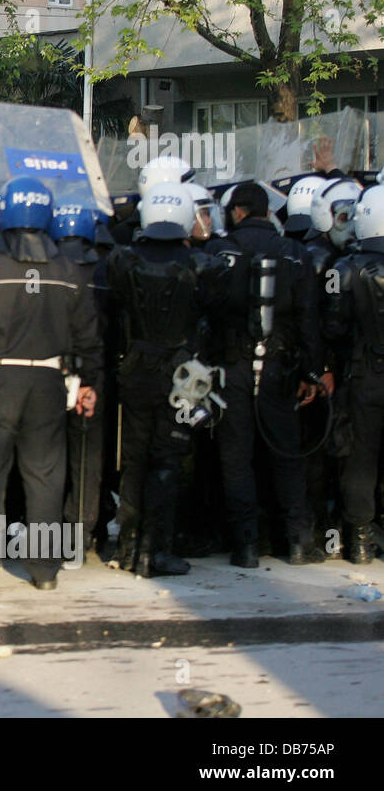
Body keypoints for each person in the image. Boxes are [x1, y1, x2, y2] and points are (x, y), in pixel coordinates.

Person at [0, 176, 102, 593]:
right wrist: (88, 381)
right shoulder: (70, 273)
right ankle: (45, 572)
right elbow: (89, 337)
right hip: (50, 382)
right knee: (46, 478)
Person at [105, 183, 225, 576]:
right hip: (180, 377)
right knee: (168, 461)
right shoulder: (200, 264)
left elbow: (114, 308)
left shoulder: (124, 260)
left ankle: (128, 545)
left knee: (134, 459)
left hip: (136, 370)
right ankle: (158, 549)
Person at [205, 181, 325, 567]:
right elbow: (309, 319)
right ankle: (298, 541)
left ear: (237, 211)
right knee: (286, 454)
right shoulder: (295, 253)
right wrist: (312, 370)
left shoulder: (218, 250)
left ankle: (246, 545)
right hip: (280, 367)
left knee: (235, 456)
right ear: (265, 212)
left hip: (232, 365)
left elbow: (206, 313)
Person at [324, 184, 384, 564]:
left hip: (363, 373)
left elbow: (332, 327)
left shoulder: (344, 267)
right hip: (364, 368)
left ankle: (359, 538)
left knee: (359, 456)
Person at [49, 203, 109, 566]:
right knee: (87, 456)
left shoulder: (47, 267)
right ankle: (81, 535)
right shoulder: (103, 269)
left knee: (47, 456)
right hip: (93, 371)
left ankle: (46, 531)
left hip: (50, 370)